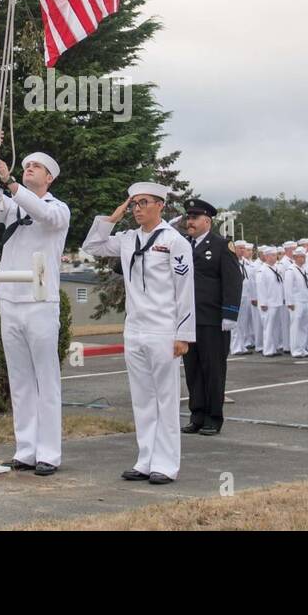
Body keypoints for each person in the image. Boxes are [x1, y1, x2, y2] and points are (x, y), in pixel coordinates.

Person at [82, 182, 195, 484]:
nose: (138, 209)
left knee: (166, 399)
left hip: (163, 330)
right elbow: (91, 246)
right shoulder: (127, 239)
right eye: (134, 204)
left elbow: (185, 292)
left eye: (144, 202)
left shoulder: (175, 242)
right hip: (135, 329)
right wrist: (113, 217)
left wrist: (183, 334)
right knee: (142, 399)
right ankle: (145, 458)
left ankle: (166, 464)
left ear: (160, 205)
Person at [0, 134, 70, 476]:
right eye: (26, 166)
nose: (29, 169)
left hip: (39, 300)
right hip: (10, 298)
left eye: (35, 166)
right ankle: (26, 449)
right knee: (19, 379)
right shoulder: (13, 204)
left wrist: (10, 182)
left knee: (45, 379)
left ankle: (49, 452)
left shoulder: (57, 208)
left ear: (49, 177)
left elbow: (41, 213)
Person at [181, 198, 242, 436]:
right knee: (193, 369)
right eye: (188, 218)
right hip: (189, 318)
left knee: (213, 369)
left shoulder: (221, 246)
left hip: (213, 318)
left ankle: (213, 418)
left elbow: (233, 281)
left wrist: (230, 313)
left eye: (195, 218)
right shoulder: (183, 244)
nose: (190, 222)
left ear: (207, 220)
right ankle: (197, 415)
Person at [286, 244, 308, 358]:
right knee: (295, 326)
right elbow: (288, 288)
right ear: (295, 258)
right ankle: (295, 350)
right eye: (300, 257)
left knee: (304, 326)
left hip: (304, 301)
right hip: (296, 302)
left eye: (304, 256)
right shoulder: (291, 270)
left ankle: (302, 348)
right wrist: (290, 302)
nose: (303, 259)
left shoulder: (303, 270)